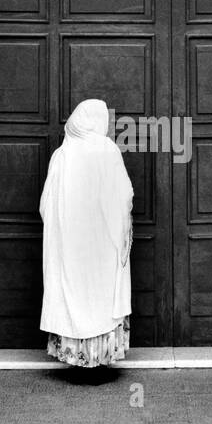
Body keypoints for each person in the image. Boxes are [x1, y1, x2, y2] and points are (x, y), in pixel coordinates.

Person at [39, 99, 133, 368]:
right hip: (101, 245)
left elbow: (46, 205)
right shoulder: (106, 150)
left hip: (69, 246)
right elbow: (123, 195)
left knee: (74, 292)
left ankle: (75, 357)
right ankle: (100, 357)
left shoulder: (61, 155)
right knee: (100, 297)